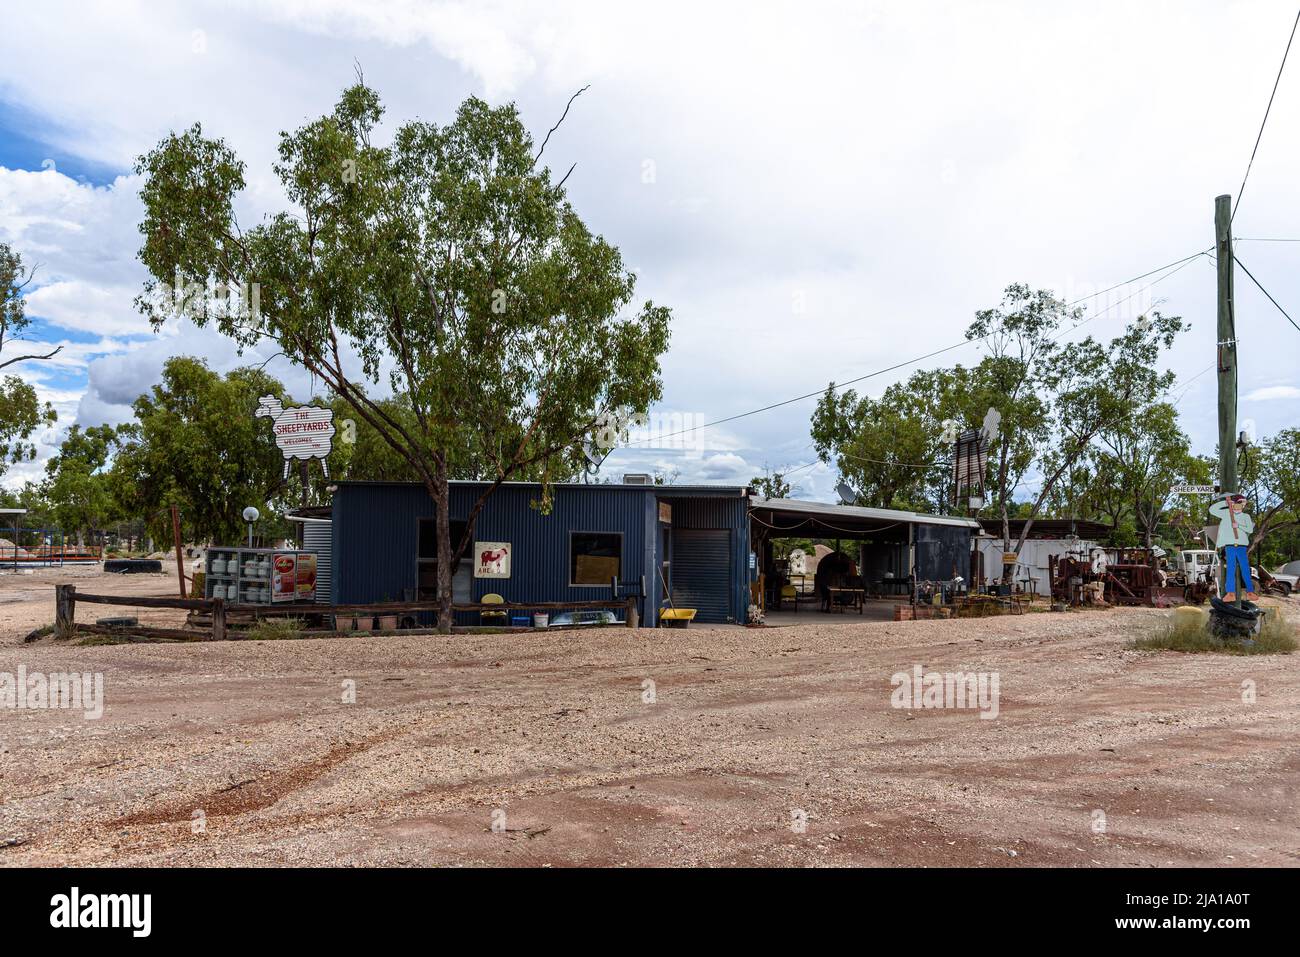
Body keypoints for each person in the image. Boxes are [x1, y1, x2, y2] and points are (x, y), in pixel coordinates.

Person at [1209, 493, 1256, 602]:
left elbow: (1250, 529)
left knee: (1245, 569)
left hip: (1242, 547)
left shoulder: (1246, 516)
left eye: (1244, 504)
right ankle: (1230, 593)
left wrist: (1238, 526)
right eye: (1240, 503)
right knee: (1230, 569)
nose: (1242, 506)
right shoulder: (1226, 513)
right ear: (1234, 503)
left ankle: (1250, 592)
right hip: (1230, 546)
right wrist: (1225, 503)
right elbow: (1212, 510)